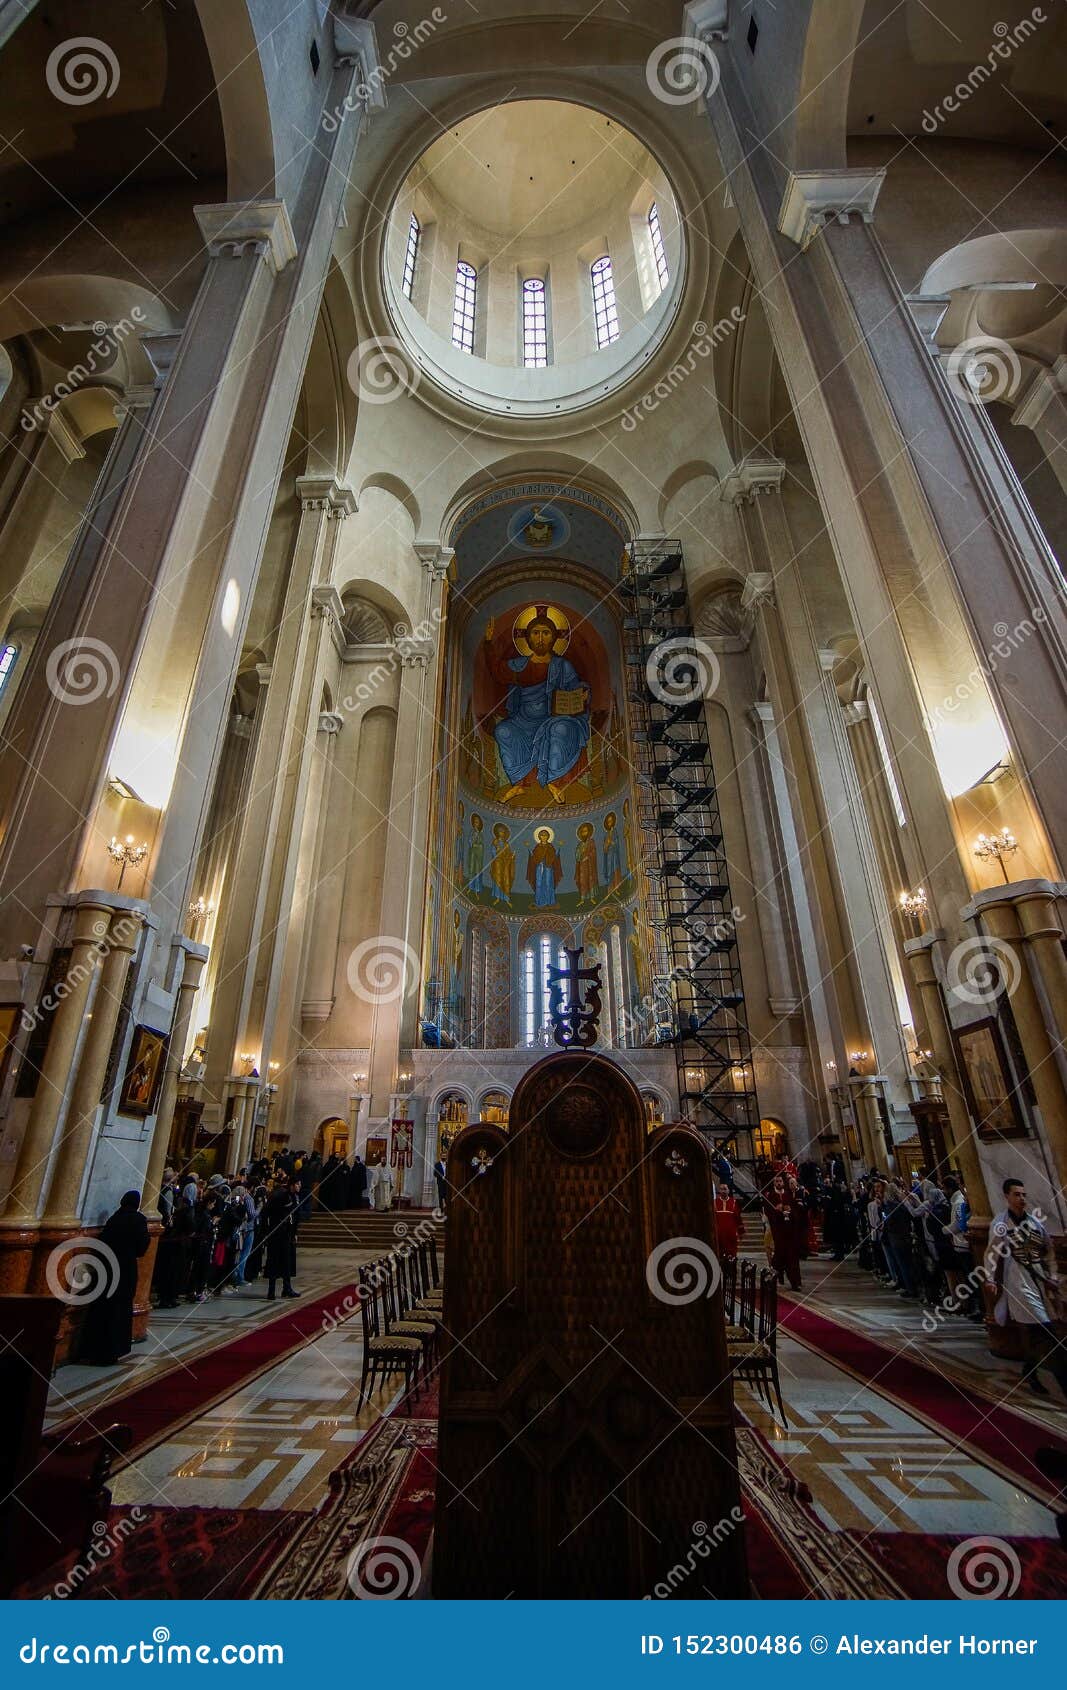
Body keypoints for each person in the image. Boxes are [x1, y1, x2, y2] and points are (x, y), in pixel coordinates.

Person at [986, 1178, 1067, 1401]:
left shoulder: (1034, 1222)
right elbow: (991, 1253)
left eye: (1023, 1194)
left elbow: (1048, 1250)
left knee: (1037, 1333)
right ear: (1007, 1196)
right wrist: (990, 1278)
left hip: (1040, 1282)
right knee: (1047, 1332)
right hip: (1018, 1283)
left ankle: (1029, 1370)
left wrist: (1052, 1276)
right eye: (1016, 1194)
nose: (1021, 1198)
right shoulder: (1000, 1224)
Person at [80, 1191, 150, 1365]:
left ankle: (93, 1350)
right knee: (119, 1310)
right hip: (125, 1269)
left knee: (103, 1308)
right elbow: (141, 1248)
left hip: (107, 1268)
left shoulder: (113, 1219)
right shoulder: (138, 1220)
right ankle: (112, 1351)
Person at [763, 1174, 802, 1291]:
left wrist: (789, 1211)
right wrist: (778, 1212)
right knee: (779, 1256)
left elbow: (796, 1210)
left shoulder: (789, 1195)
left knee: (792, 1258)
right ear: (774, 1183)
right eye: (777, 1181)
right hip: (778, 1231)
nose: (779, 1183)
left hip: (790, 1231)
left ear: (783, 1182)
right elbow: (768, 1212)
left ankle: (795, 1282)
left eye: (780, 1181)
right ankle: (773, 1279)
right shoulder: (770, 1196)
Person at [263, 1174, 299, 1299]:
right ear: (292, 1185)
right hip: (277, 1233)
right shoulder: (280, 1195)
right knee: (274, 1260)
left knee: (286, 1262)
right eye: (297, 1184)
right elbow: (268, 1211)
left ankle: (286, 1288)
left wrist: (294, 1233)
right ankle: (271, 1290)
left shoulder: (292, 1196)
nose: (299, 1186)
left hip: (286, 1234)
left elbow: (294, 1216)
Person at [713, 1182, 742, 1261]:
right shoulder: (714, 1202)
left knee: (732, 1256)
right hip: (719, 1235)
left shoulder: (734, 1202)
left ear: (728, 1190)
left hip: (731, 1235)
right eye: (721, 1189)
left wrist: (741, 1232)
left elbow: (738, 1218)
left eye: (725, 1189)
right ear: (719, 1191)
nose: (723, 1191)